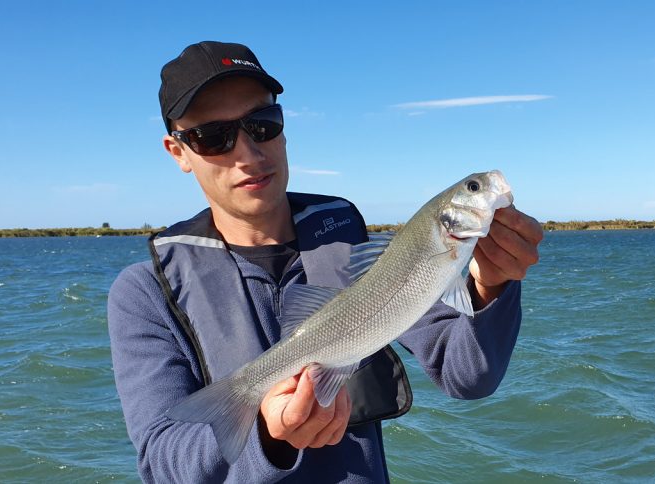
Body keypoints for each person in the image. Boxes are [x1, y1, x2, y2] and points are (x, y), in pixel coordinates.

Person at [107, 41, 543, 483]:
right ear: (178, 151)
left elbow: (467, 376)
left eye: (262, 124)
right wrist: (267, 431)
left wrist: (492, 287)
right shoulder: (144, 293)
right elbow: (163, 466)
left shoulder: (358, 252)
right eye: (212, 137)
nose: (248, 154)